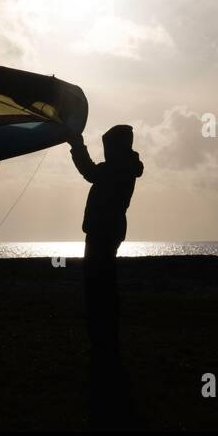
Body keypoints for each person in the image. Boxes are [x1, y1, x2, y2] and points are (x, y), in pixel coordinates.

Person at [68, 125, 143, 356]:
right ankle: (104, 341)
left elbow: (89, 172)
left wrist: (77, 146)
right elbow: (92, 172)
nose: (106, 151)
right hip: (107, 232)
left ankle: (103, 343)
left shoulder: (118, 169)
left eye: (108, 147)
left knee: (99, 287)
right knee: (103, 286)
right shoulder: (123, 167)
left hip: (103, 232)